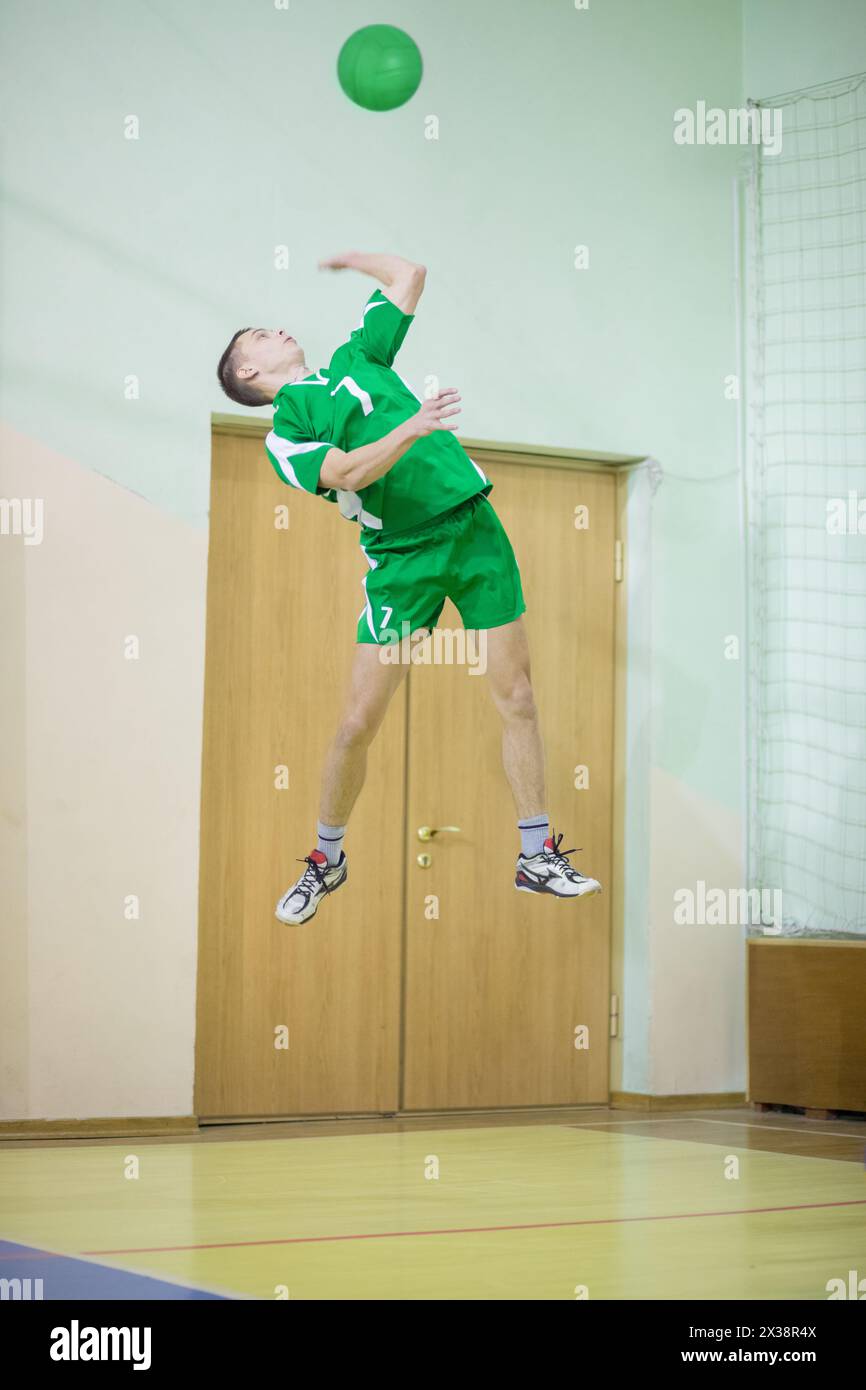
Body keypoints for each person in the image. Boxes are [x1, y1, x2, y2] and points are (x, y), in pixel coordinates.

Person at [216, 251, 601, 923]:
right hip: (401, 561)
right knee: (358, 722)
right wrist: (412, 427)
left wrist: (348, 260)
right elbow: (344, 473)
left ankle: (536, 856)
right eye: (261, 335)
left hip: (475, 531)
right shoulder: (287, 428)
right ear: (249, 371)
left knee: (518, 697)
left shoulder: (358, 356)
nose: (277, 330)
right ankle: (326, 861)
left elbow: (410, 275)